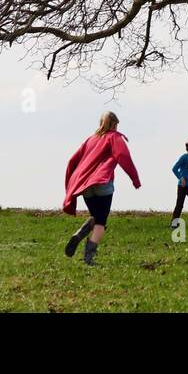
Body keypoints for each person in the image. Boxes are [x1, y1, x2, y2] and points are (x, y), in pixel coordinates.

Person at [62, 111, 141, 265]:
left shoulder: (90, 140)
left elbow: (72, 161)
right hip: (103, 182)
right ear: (114, 124)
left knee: (95, 216)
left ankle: (79, 235)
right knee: (101, 223)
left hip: (85, 185)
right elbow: (124, 157)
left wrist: (71, 185)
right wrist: (135, 179)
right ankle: (89, 258)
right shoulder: (115, 137)